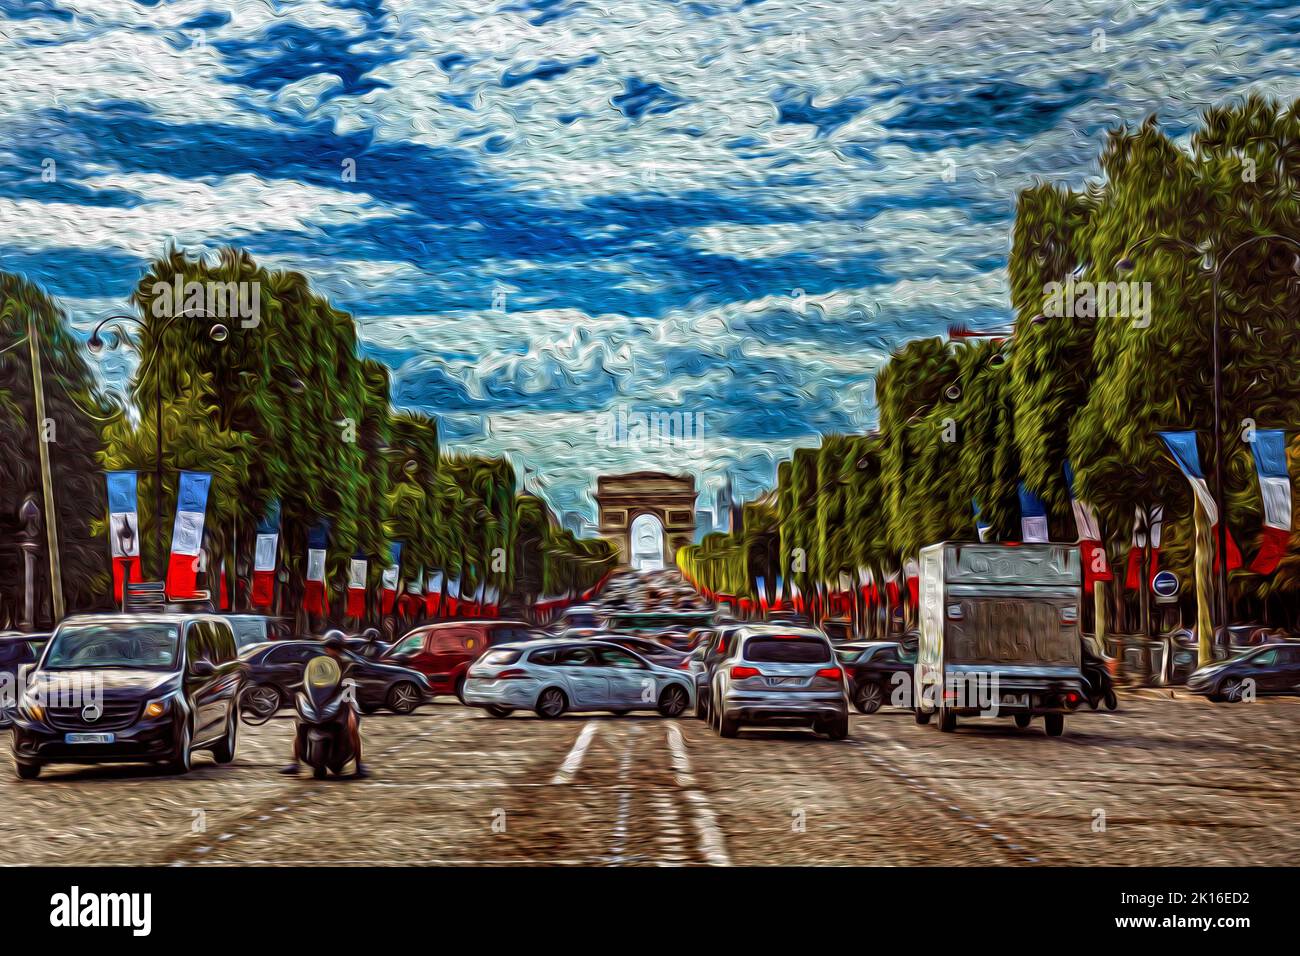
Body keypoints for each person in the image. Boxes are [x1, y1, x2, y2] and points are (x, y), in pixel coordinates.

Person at [280, 632, 369, 778]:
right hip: (321, 703)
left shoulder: (347, 664)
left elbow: (349, 683)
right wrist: (300, 688)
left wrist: (349, 699)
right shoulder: (319, 664)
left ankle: (359, 765)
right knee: (299, 723)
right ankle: (295, 762)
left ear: (340, 648)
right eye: (329, 646)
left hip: (342, 700)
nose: (332, 650)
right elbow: (309, 681)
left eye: (335, 647)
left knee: (352, 723)